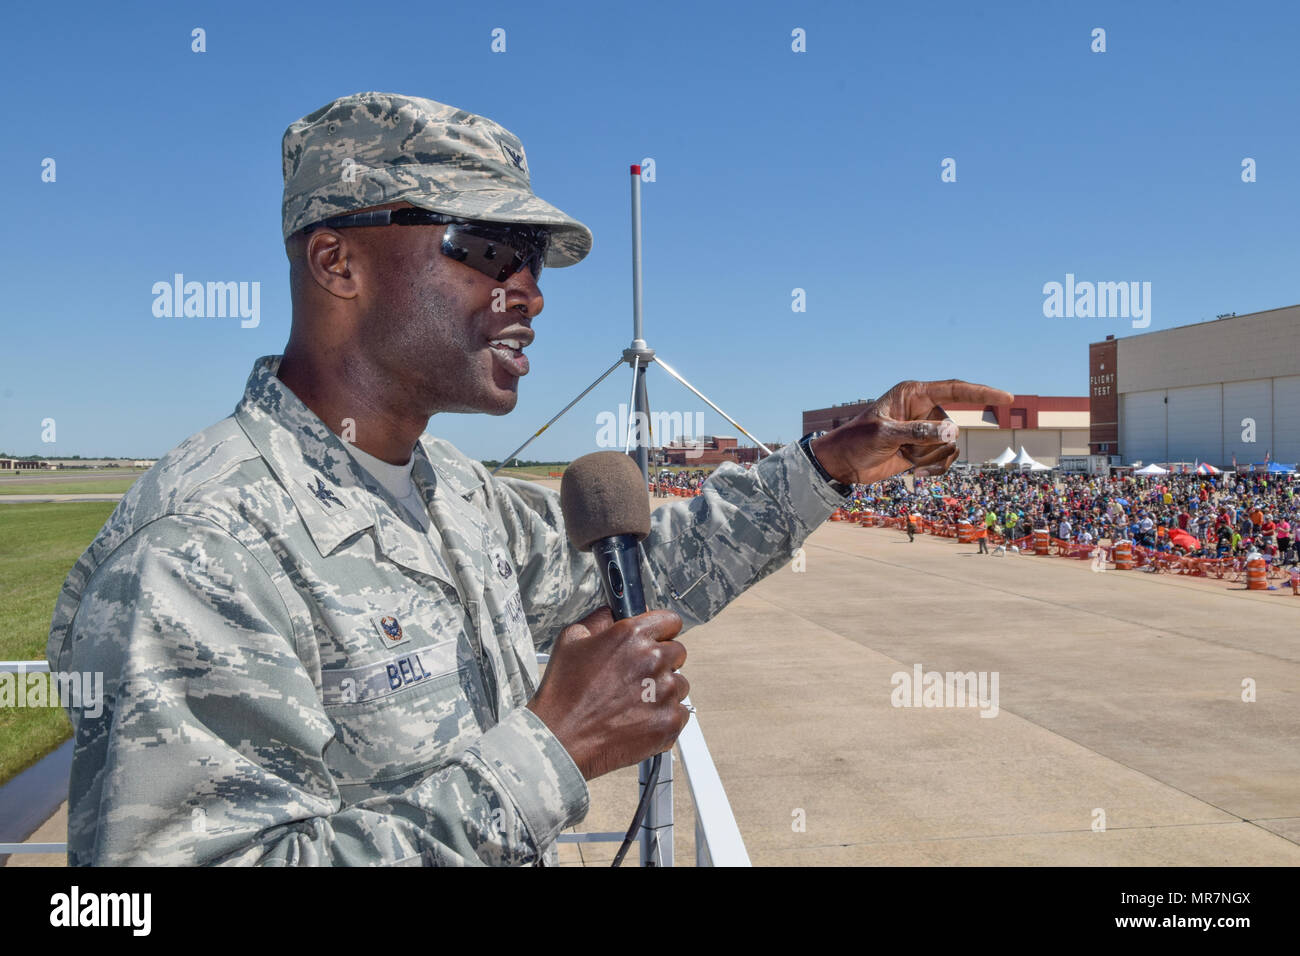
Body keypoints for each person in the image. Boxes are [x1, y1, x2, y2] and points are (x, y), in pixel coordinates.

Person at [46, 91, 1011, 866]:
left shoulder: (455, 496)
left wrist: (829, 462)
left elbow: (648, 577)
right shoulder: (201, 545)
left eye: (536, 260)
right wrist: (552, 751)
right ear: (337, 262)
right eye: (490, 250)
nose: (533, 294)